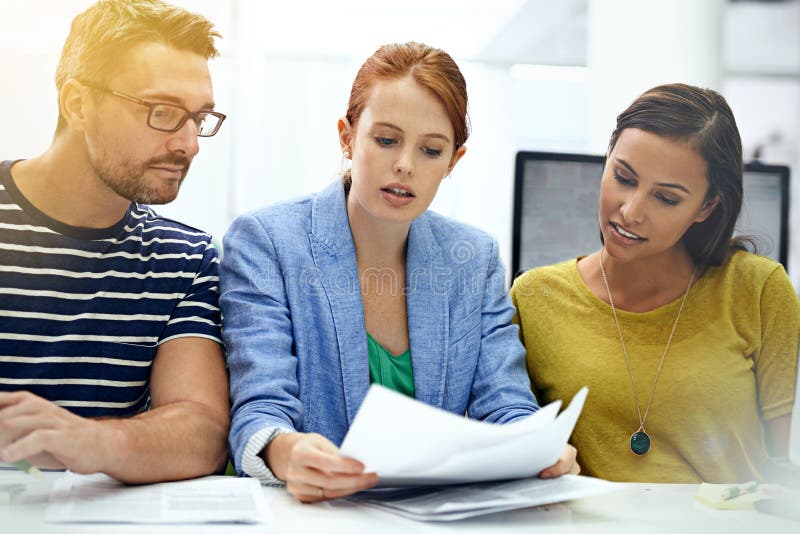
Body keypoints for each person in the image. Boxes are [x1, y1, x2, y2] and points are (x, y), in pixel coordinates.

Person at [221, 42, 578, 503]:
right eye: (386, 140)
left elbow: (503, 401)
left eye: (431, 150)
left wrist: (537, 448)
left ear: (454, 161)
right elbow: (261, 405)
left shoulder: (473, 259)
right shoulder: (267, 242)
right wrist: (286, 452)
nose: (406, 165)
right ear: (347, 137)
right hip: (312, 516)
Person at [511, 83, 800, 483]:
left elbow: (778, 470)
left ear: (706, 207)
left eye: (666, 198)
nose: (630, 211)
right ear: (607, 157)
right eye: (624, 178)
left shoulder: (759, 290)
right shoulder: (533, 297)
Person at [0, 0, 230, 483]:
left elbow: (204, 430)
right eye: (163, 112)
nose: (189, 144)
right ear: (77, 103)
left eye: (199, 117)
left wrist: (91, 440)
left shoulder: (184, 258)